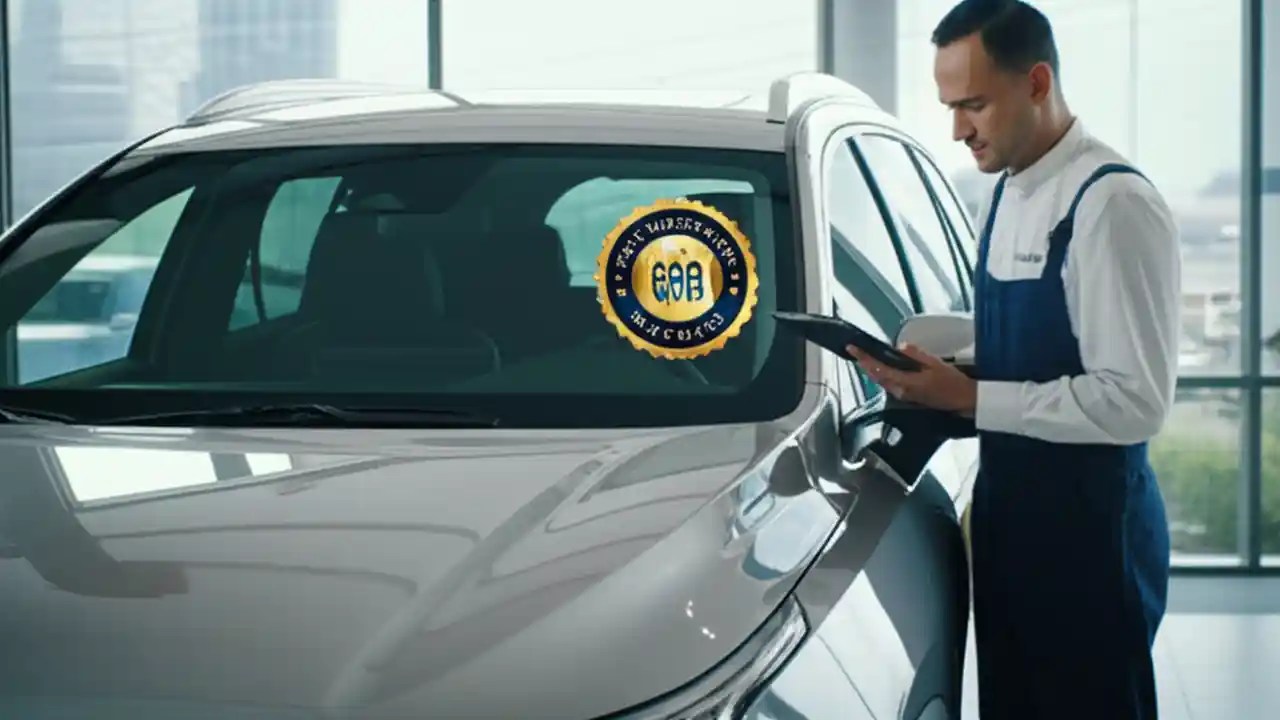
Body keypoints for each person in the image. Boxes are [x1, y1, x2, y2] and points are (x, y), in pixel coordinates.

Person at [847, 1, 1181, 718]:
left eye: (973, 105)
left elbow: (1135, 402)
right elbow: (1043, 340)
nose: (958, 130)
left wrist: (969, 400)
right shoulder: (1005, 193)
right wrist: (948, 368)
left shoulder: (1111, 204)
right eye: (949, 107)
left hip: (1091, 539)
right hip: (1012, 525)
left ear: (1036, 83)